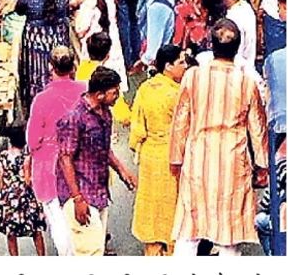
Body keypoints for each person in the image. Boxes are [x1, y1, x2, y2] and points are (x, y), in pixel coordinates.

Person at [170, 18, 269, 255]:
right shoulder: (246, 83)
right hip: (232, 164)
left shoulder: (193, 76)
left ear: (211, 45)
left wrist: (175, 158)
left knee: (189, 231)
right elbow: (258, 128)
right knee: (229, 236)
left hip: (198, 160)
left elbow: (180, 121)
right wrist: (262, 165)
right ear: (237, 48)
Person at [55, 66, 137, 256]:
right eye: (114, 92)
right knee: (90, 252)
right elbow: (65, 159)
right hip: (81, 193)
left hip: (98, 190)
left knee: (96, 248)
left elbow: (103, 148)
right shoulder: (74, 118)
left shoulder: (105, 113)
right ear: (100, 94)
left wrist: (122, 171)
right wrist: (77, 199)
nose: (118, 96)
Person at [129, 44, 190, 256]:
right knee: (171, 205)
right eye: (181, 62)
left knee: (151, 204)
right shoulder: (178, 93)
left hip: (149, 155)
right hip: (173, 156)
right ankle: (171, 250)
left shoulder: (145, 88)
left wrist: (136, 147)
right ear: (168, 66)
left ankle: (153, 251)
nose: (185, 66)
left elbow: (137, 128)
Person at [26, 45, 84, 255]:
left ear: (50, 66)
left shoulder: (41, 99)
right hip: (80, 164)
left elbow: (33, 141)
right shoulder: (84, 91)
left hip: (49, 168)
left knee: (59, 221)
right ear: (73, 66)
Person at [15, 0, 72, 113]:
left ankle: (37, 106)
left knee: (36, 74)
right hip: (58, 37)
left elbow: (19, 10)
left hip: (35, 40)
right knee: (60, 69)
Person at [0, 124, 46, 256]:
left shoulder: (2, 157)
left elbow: (0, 178)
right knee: (35, 229)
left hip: (9, 198)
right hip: (25, 197)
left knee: (10, 232)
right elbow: (28, 179)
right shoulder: (26, 157)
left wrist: (5, 193)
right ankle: (42, 256)